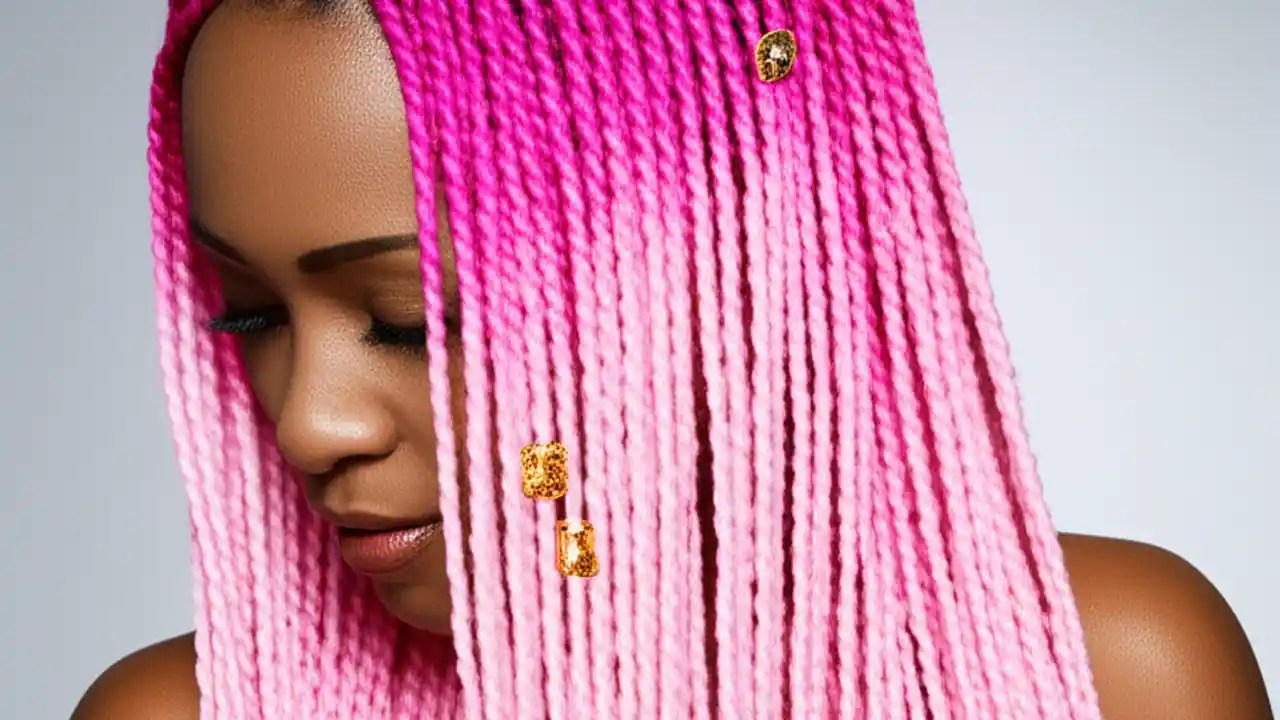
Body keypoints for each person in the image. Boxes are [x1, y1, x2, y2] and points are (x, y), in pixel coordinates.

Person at [74, 0, 1271, 718]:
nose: (307, 425)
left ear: (725, 264)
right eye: (248, 315)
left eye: (406, 318)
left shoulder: (1105, 677)